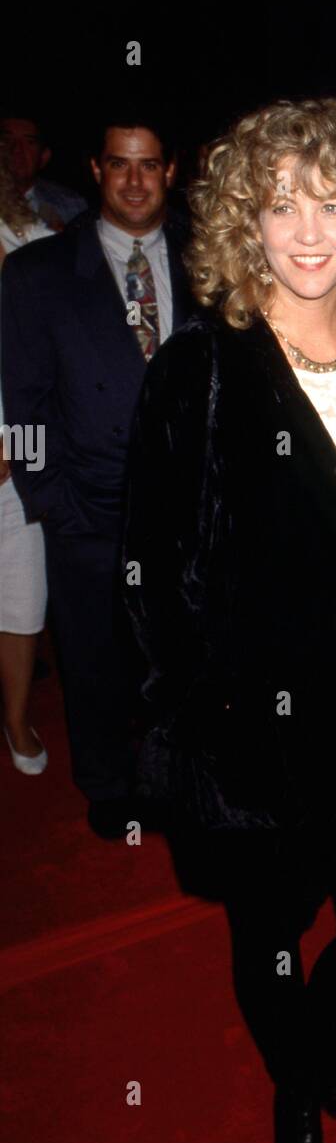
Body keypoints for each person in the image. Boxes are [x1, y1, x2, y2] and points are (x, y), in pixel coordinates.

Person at [122, 99, 336, 1143]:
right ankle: (295, 1085)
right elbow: (148, 576)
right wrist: (197, 716)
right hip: (248, 733)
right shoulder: (201, 369)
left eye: (335, 202)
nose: (309, 229)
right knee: (267, 938)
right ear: (243, 221)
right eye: (281, 203)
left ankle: (311, 1036)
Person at [1, 114, 194, 837]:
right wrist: (50, 501)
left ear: (170, 170)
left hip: (185, 507)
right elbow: (24, 400)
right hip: (89, 505)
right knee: (92, 657)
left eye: (149, 165)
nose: (135, 180)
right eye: (120, 165)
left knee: (177, 653)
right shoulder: (38, 272)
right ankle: (109, 782)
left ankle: (175, 771)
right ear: (95, 170)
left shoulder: (208, 259)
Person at [0, 136, 53, 774]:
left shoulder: (35, 240)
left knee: (21, 598)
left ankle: (15, 718)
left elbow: (47, 355)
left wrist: (21, 438)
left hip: (21, 457)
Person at [0, 112, 88, 229]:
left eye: (29, 142)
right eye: (7, 140)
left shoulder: (71, 205)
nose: (17, 149)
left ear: (44, 157)